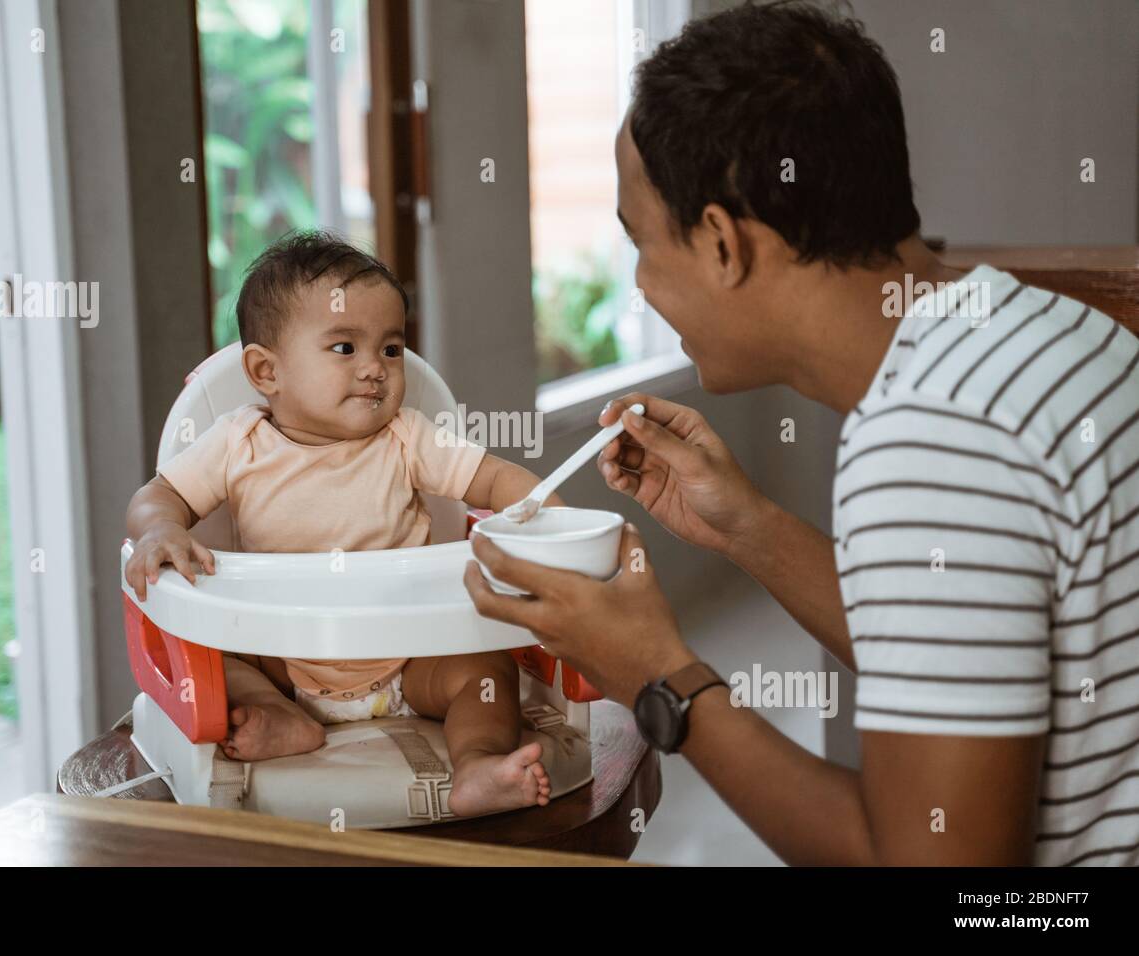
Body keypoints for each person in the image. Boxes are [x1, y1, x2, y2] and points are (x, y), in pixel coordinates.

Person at [463, 1, 1139, 865]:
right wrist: (744, 526)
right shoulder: (1037, 330)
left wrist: (659, 679)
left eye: (641, 244)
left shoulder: (930, 440)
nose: (640, 285)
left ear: (720, 244)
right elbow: (973, 652)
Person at [124, 231, 560, 817]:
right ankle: (284, 718)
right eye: (344, 348)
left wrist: (548, 515)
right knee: (217, 653)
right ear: (266, 370)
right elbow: (163, 494)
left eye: (390, 349)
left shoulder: (407, 437)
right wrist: (159, 530)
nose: (374, 370)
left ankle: (477, 764)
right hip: (280, 661)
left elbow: (494, 479)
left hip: (408, 659)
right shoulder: (237, 442)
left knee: (485, 673)